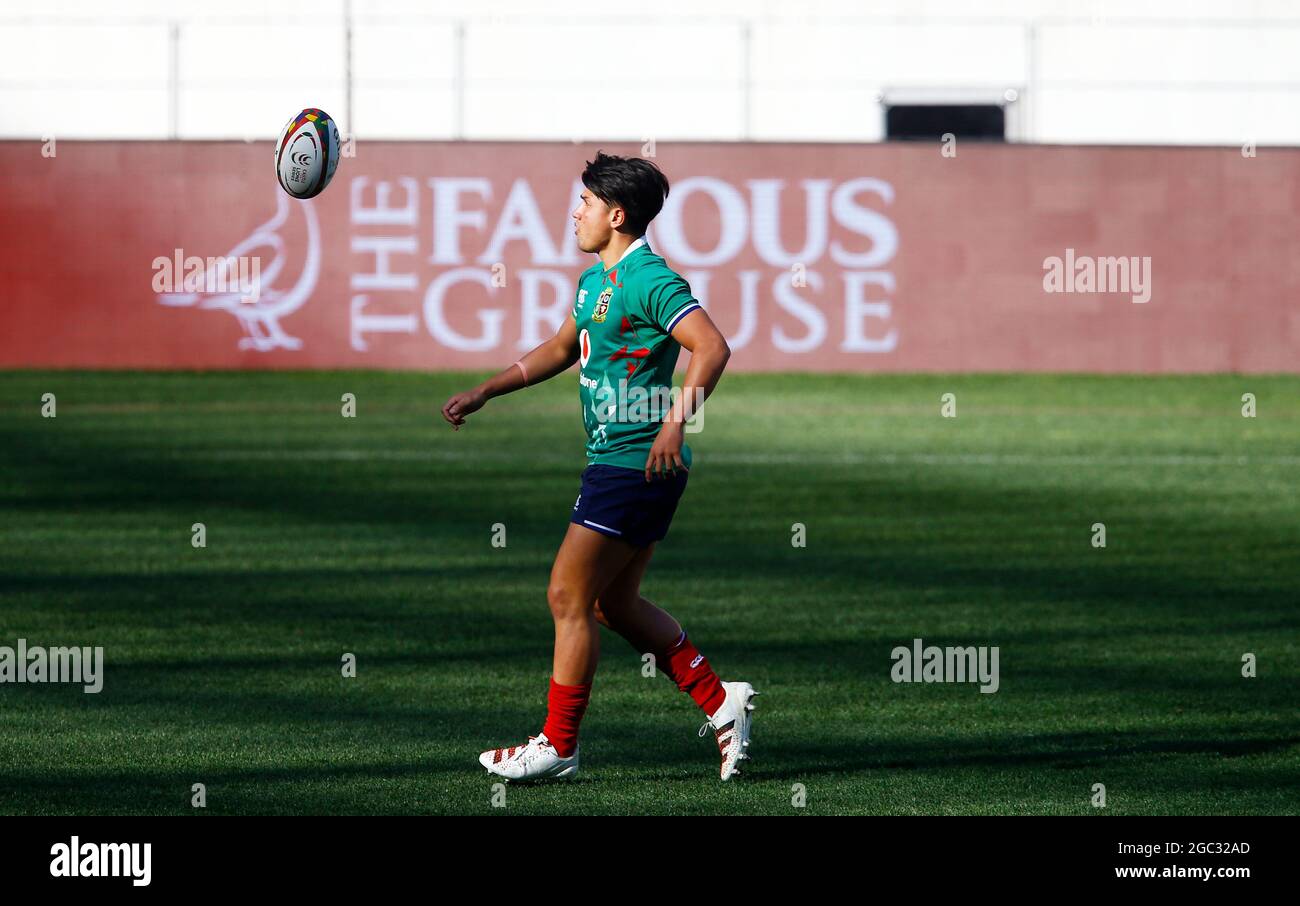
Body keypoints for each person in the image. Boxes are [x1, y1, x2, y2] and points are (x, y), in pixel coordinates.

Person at [440, 152, 757, 781]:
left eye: (583, 203)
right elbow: (561, 348)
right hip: (620, 464)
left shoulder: (647, 277)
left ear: (616, 215)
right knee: (613, 604)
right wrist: (487, 389)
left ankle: (558, 745)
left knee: (566, 594)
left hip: (635, 463)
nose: (574, 213)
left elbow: (712, 347)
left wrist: (674, 423)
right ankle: (722, 701)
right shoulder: (594, 284)